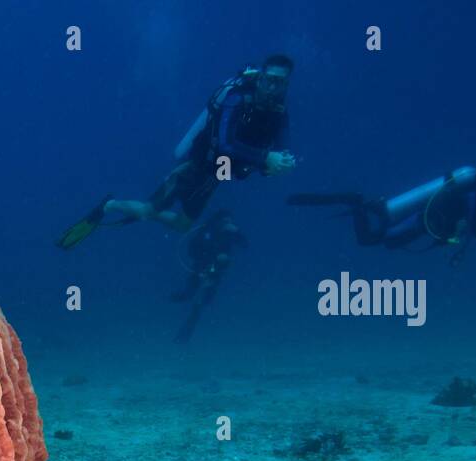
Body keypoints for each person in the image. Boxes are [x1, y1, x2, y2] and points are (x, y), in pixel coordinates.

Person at [57, 54, 296, 247]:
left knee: (182, 225)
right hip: (196, 164)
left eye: (280, 82)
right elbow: (226, 144)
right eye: (269, 79)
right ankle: (109, 206)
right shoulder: (238, 98)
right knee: (148, 210)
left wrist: (279, 164)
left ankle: (145, 213)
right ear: (261, 78)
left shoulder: (278, 112)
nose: (273, 87)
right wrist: (266, 158)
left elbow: (276, 152)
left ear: (286, 85)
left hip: (215, 176)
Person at [287, 164, 476, 262]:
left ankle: (365, 205)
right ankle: (356, 202)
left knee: (380, 230)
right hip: (426, 219)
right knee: (372, 239)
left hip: (427, 216)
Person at [170, 210, 248, 343]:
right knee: (191, 294)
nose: (227, 225)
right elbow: (192, 250)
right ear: (218, 221)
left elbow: (245, 244)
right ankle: (179, 301)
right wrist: (212, 255)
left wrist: (237, 231)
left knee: (204, 301)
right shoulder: (206, 231)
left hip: (216, 271)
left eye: (229, 222)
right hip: (200, 268)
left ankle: (186, 332)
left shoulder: (230, 233)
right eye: (224, 222)